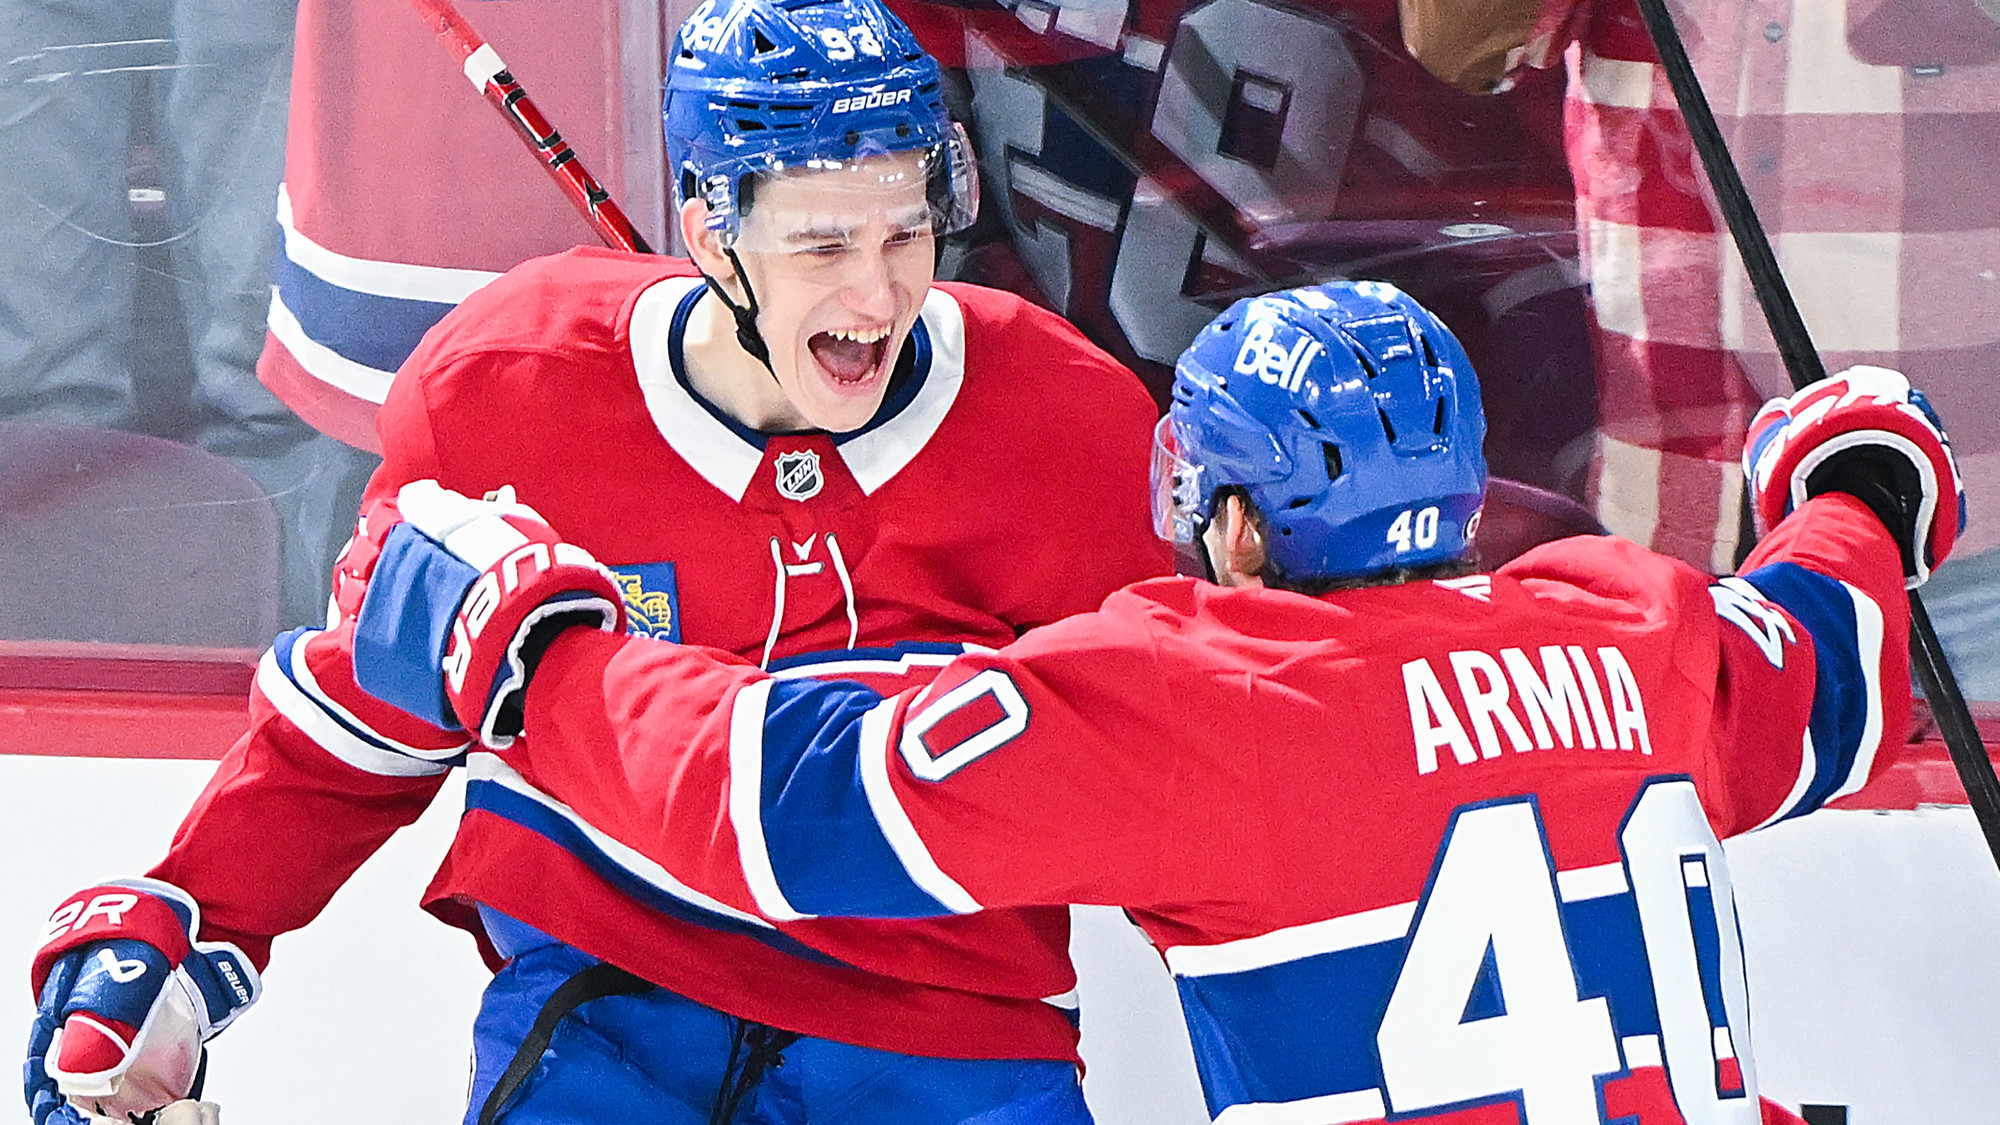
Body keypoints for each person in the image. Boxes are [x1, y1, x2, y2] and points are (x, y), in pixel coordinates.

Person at [341, 281, 1956, 1124]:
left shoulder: (1206, 695)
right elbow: (1819, 661)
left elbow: (791, 810)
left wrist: (539, 653)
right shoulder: (1632, 631)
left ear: (1242, 524)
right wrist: (1865, 482)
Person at [23, 1, 1169, 1122]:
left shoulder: (1062, 425)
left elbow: (1192, 764)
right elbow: (381, 688)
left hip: (946, 1034)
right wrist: (191, 916)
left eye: (905, 231)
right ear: (712, 232)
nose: (878, 296)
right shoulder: (509, 387)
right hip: (605, 1004)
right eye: (821, 243)